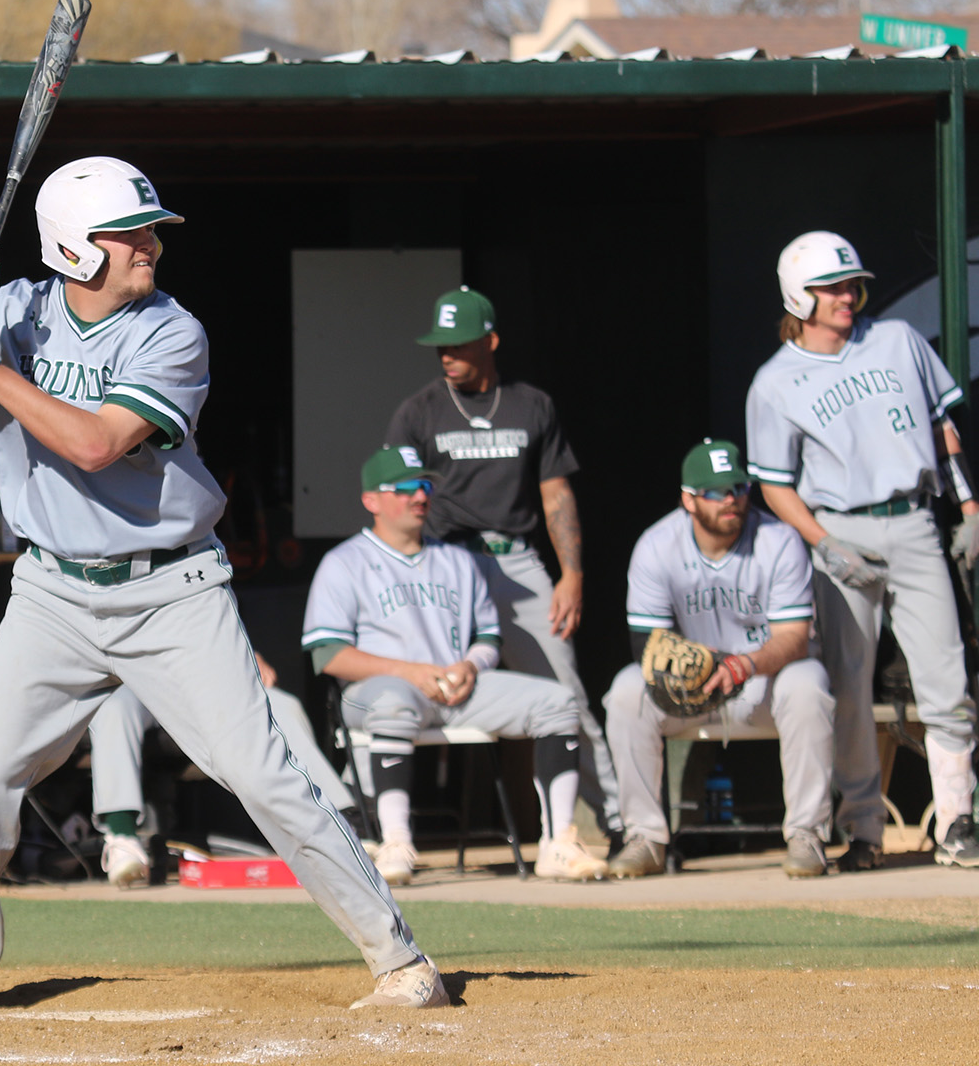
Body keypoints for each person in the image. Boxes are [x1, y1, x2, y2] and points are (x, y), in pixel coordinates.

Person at [0, 156, 445, 1010]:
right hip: (52, 594)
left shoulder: (173, 332)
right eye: (130, 235)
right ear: (74, 250)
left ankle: (400, 961)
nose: (151, 247)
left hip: (172, 591)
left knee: (262, 773)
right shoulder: (17, 309)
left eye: (149, 232)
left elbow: (97, 443)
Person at [745, 230, 979, 871]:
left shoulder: (898, 339)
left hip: (911, 520)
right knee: (848, 690)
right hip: (839, 529)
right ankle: (865, 830)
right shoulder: (774, 381)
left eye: (851, 285)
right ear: (800, 296)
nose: (847, 296)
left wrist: (969, 506)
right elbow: (773, 484)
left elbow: (943, 430)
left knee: (947, 679)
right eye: (831, 288)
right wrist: (825, 543)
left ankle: (958, 821)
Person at [304, 446, 610, 886]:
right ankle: (395, 842)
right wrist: (410, 672)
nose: (419, 497)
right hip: (380, 692)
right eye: (405, 488)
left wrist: (471, 664)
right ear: (371, 500)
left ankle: (559, 842)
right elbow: (329, 655)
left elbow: (488, 637)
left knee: (558, 701)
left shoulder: (458, 560)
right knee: (392, 702)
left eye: (424, 486)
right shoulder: (344, 562)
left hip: (456, 689)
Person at [384, 287, 622, 850]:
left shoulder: (530, 404)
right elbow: (394, 497)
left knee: (566, 693)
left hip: (515, 560)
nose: (446, 355)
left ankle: (616, 823)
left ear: (490, 341)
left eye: (459, 345)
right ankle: (375, 833)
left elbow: (555, 491)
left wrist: (572, 573)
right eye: (440, 346)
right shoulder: (419, 410)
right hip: (444, 563)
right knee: (400, 691)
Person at [602, 440, 834, 878]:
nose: (731, 500)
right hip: (694, 689)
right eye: (715, 492)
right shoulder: (657, 545)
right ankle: (645, 837)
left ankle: (808, 834)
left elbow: (795, 639)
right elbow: (645, 644)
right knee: (626, 690)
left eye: (738, 488)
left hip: (764, 682)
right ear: (688, 499)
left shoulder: (778, 540)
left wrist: (743, 664)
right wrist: (692, 668)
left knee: (808, 682)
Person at [86, 653, 360, 887]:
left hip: (202, 677)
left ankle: (342, 828)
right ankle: (122, 837)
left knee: (282, 704)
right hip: (133, 680)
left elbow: (220, 623)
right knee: (112, 708)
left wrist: (247, 652)